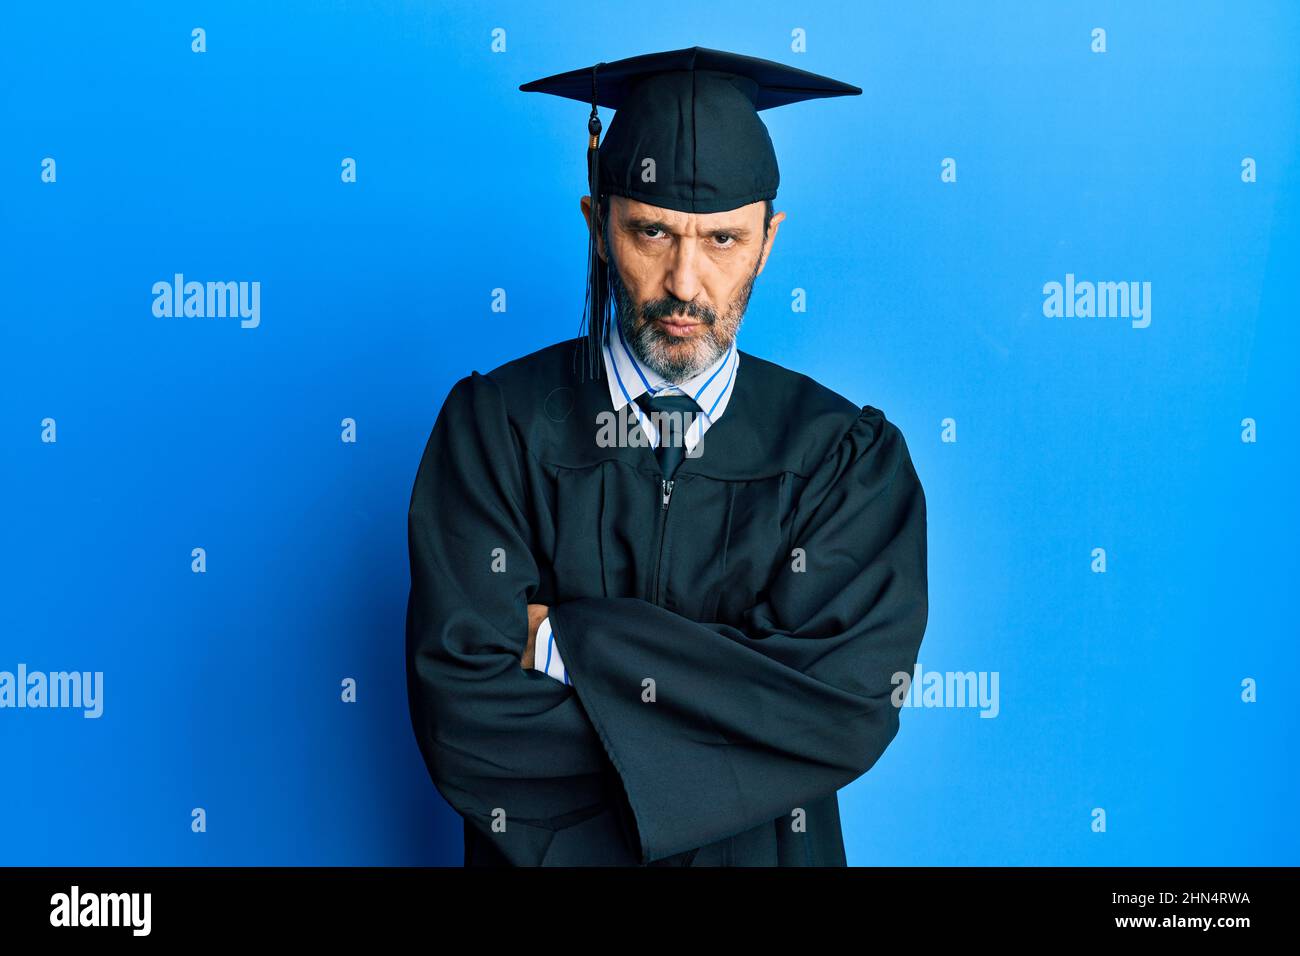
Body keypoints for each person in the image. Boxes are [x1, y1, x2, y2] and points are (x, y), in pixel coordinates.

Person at [405, 46, 929, 866]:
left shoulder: (843, 459)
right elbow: (464, 721)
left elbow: (841, 710)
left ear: (767, 241)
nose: (686, 282)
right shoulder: (497, 428)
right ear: (598, 225)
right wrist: (738, 715)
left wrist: (563, 644)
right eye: (652, 231)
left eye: (723, 238)